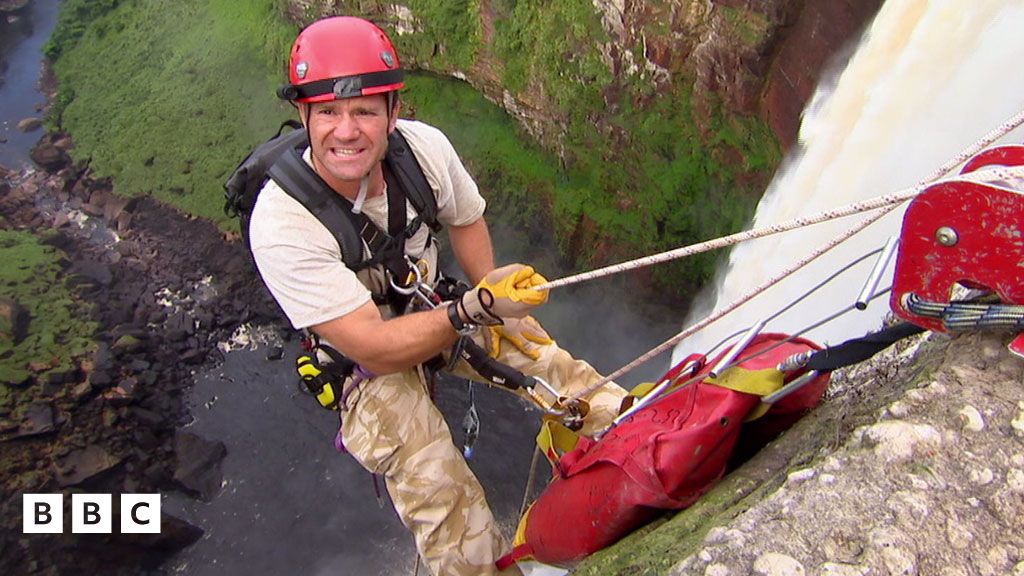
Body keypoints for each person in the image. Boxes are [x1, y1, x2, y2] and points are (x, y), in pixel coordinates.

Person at [248, 16, 627, 576]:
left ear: (393, 112)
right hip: (364, 365)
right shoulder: (282, 223)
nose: (346, 131)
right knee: (440, 488)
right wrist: (476, 307)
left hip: (434, 305)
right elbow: (374, 347)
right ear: (304, 117)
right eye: (327, 112)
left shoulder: (422, 152)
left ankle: (640, 436)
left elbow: (466, 219)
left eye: (364, 112)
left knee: (550, 366)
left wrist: (490, 287)